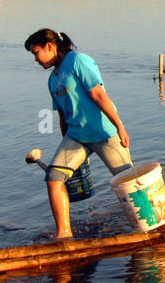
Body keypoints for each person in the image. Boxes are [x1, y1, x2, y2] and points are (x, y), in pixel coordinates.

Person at [24, 28, 134, 239]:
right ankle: (63, 234)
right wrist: (65, 142)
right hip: (76, 137)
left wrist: (120, 127)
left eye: (36, 52)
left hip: (104, 133)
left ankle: (154, 221)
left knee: (128, 181)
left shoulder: (77, 61)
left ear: (50, 46)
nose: (36, 59)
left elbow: (99, 95)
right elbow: (63, 116)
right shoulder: (52, 79)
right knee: (53, 178)